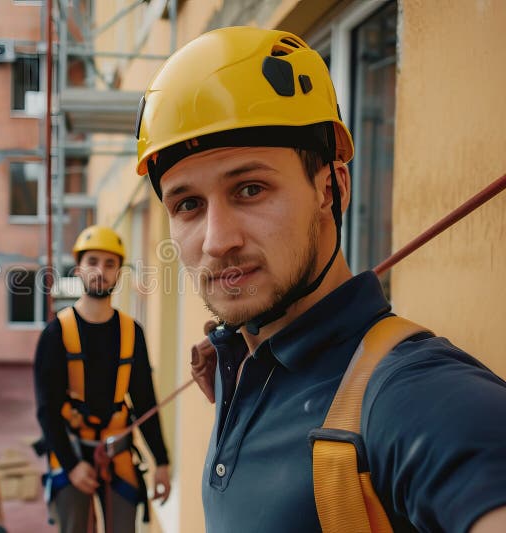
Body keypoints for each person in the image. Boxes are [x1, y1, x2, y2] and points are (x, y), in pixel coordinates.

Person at [134, 25, 506, 533]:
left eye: (249, 188)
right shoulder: (239, 361)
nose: (217, 240)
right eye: (188, 204)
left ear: (331, 186)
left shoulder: (408, 394)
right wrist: (232, 373)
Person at [34, 225, 171, 533]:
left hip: (117, 452)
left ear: (119, 272)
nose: (101, 271)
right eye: (92, 261)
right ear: (79, 268)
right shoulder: (56, 334)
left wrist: (161, 462)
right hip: (72, 449)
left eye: (110, 264)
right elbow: (47, 408)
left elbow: (145, 400)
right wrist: (71, 465)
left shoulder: (130, 332)